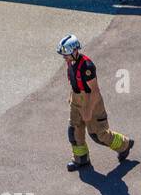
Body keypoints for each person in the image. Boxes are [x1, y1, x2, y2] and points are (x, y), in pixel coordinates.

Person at [57, 34, 134, 173]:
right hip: (76, 99)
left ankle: (124, 144)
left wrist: (87, 109)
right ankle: (81, 159)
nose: (64, 57)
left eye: (66, 54)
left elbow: (95, 91)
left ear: (75, 51)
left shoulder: (87, 66)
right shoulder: (70, 62)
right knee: (74, 131)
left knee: (99, 135)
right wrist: (72, 97)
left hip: (91, 101)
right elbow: (74, 82)